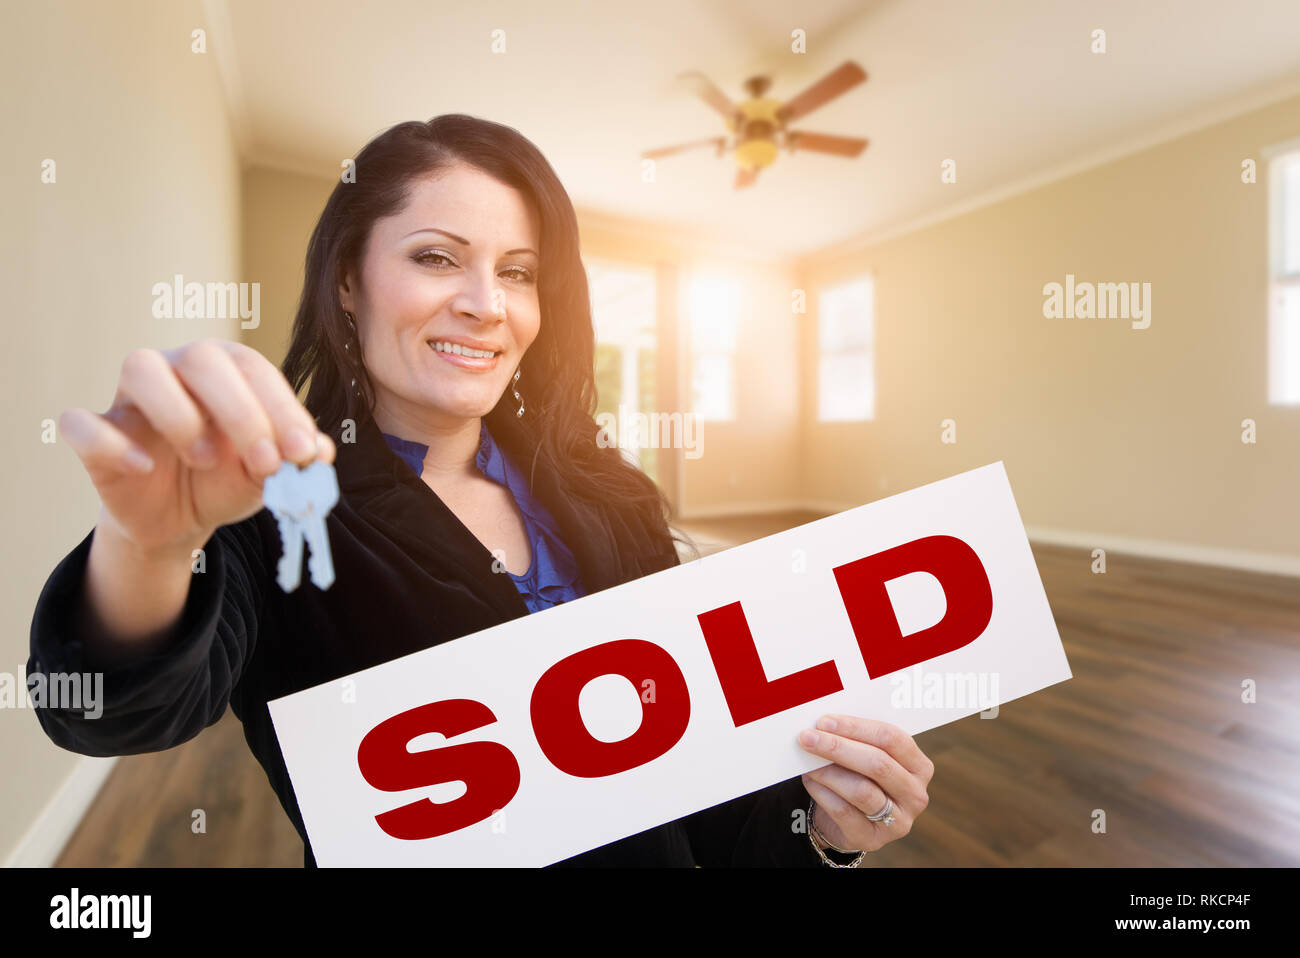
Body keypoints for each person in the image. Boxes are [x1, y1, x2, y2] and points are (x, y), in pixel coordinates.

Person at [27, 114, 934, 867]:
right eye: (435, 257)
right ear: (348, 280)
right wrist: (149, 541)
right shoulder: (272, 512)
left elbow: (703, 777)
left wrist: (824, 834)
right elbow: (112, 713)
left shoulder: (610, 494)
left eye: (518, 271)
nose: (486, 304)